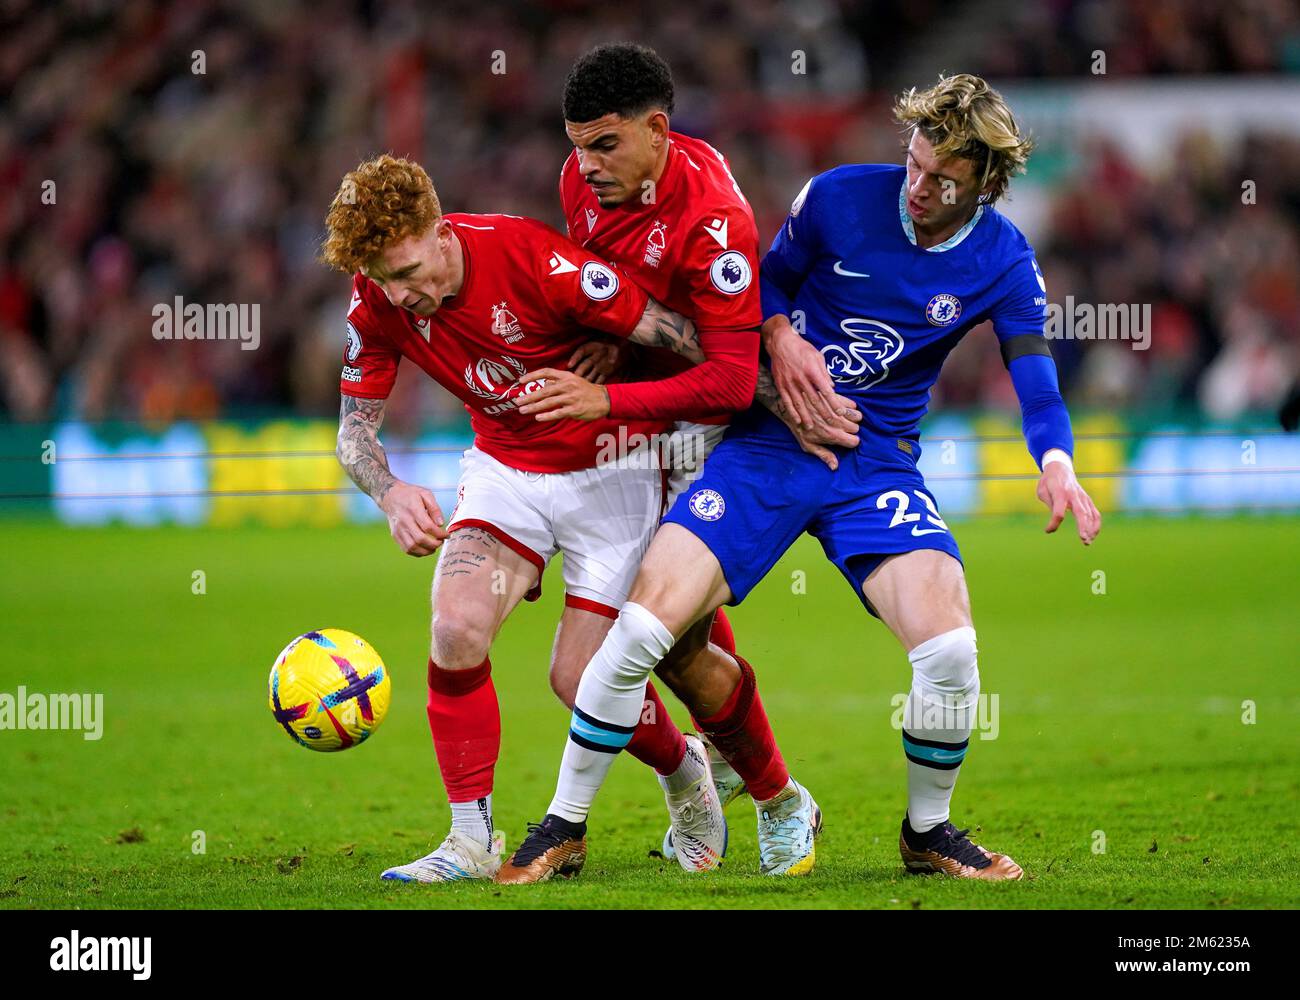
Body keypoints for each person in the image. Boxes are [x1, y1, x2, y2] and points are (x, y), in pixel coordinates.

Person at [502, 73, 1102, 884]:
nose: (918, 188)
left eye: (943, 181)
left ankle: (928, 833)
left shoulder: (1004, 259)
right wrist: (780, 337)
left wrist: (1057, 464)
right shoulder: (843, 196)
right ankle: (563, 826)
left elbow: (1035, 377)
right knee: (641, 633)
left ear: (987, 185)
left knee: (953, 650)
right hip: (766, 443)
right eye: (916, 165)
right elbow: (767, 280)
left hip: (874, 460)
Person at [323, 153, 747, 881]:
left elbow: (678, 332)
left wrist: (620, 341)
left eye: (410, 271)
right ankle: (468, 840)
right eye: (385, 280)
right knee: (455, 627)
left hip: (610, 469)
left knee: (579, 679)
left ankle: (685, 773)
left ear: (438, 228)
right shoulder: (378, 299)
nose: (402, 293)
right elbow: (353, 432)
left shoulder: (529, 257)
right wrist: (390, 492)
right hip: (505, 471)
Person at [493, 44, 857, 883]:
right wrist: (602, 343)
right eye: (577, 145)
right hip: (625, 431)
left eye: (605, 146)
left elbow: (731, 384)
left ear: (659, 131)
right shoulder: (579, 182)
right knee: (670, 642)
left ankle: (764, 792)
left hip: (696, 436)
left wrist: (606, 400)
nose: (585, 168)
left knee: (664, 649)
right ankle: (725, 768)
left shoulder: (715, 221)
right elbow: (613, 291)